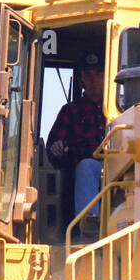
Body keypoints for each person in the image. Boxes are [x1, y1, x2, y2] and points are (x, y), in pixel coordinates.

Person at [45, 55, 107, 230]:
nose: (94, 80)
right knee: (86, 166)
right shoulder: (70, 111)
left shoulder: (122, 106)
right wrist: (57, 150)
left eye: (99, 74)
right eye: (88, 75)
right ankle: (88, 224)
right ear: (81, 81)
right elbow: (52, 150)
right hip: (87, 172)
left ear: (107, 76)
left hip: (120, 168)